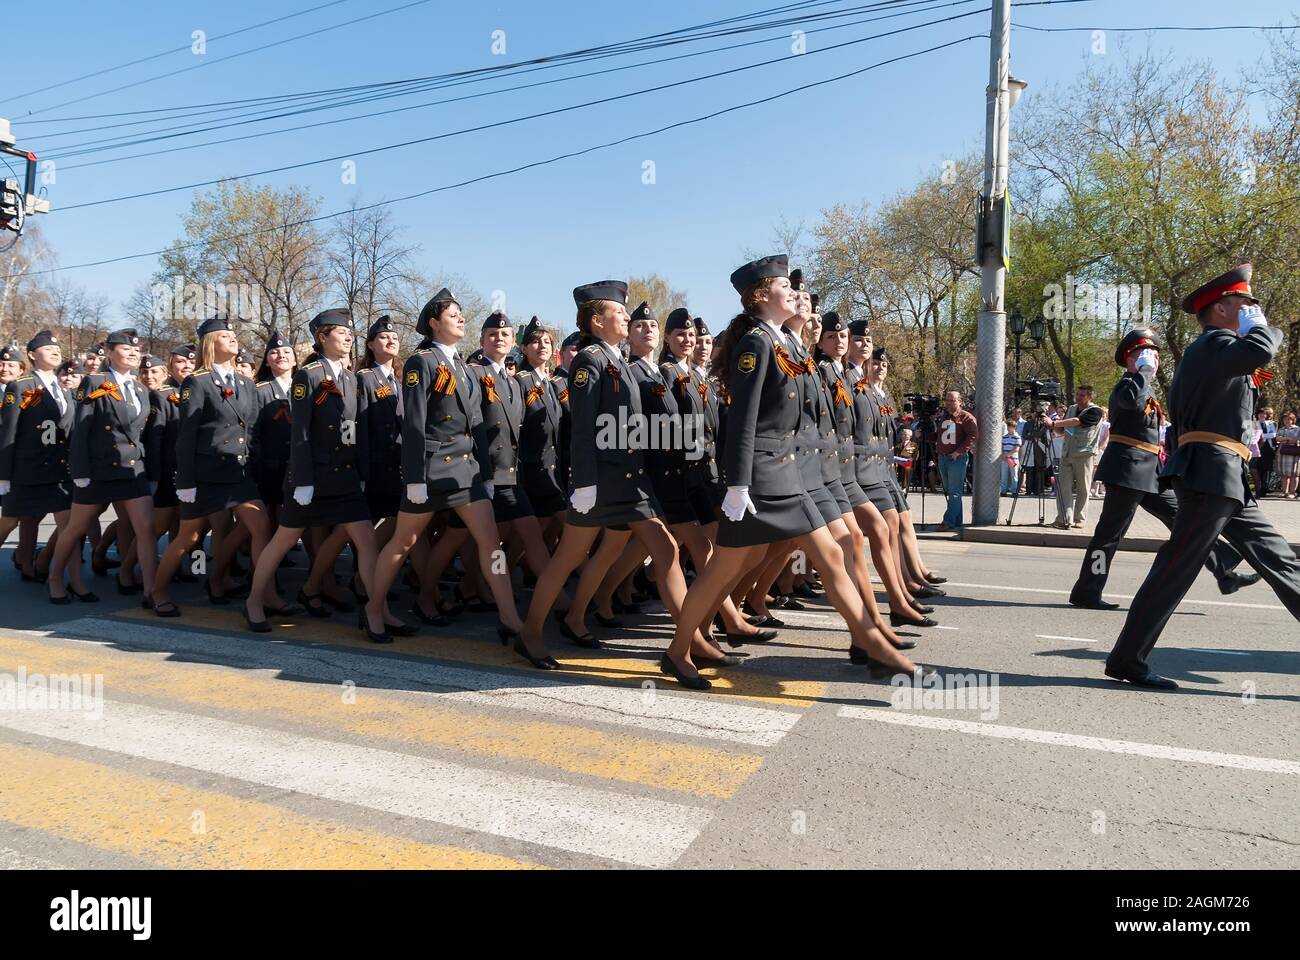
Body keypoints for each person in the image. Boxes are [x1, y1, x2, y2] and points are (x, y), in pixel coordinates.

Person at [668, 256, 925, 689]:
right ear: (761, 295)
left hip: (790, 472)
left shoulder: (789, 344)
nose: (794, 293)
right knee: (722, 571)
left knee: (828, 554)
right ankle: (677, 650)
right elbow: (744, 418)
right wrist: (737, 484)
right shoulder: (756, 343)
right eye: (785, 286)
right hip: (763, 473)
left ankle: (871, 643)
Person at [1105, 266, 1300, 689]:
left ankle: (1126, 657)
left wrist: (1254, 330)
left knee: (1280, 560)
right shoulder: (1214, 344)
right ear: (1219, 309)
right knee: (1176, 569)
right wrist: (1259, 326)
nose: (1251, 308)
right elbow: (1261, 353)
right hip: (1209, 472)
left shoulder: (1218, 349)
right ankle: (1126, 658)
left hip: (1223, 473)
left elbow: (1254, 368)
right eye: (1243, 303)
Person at [363, 289, 532, 660]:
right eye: (453, 314)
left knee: (491, 546)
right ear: (434, 323)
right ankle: (375, 609)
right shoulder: (420, 363)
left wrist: (485, 474)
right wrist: (414, 479)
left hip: (467, 471)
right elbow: (413, 425)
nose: (460, 318)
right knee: (402, 543)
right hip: (432, 470)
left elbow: (476, 427)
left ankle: (510, 619)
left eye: (460, 314)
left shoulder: (465, 368)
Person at [1068, 327, 1257, 611]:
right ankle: (1087, 590)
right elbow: (1130, 401)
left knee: (1187, 523)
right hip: (1127, 470)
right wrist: (1143, 371)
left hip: (1151, 473)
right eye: (1144, 354)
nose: (1152, 359)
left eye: (1154, 354)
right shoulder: (1128, 384)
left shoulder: (1145, 387)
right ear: (1130, 358)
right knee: (1110, 534)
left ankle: (1225, 571)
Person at [150, 316, 283, 617]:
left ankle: (262, 595)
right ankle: (157, 591)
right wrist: (184, 482)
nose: (233, 338)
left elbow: (252, 430)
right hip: (207, 474)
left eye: (233, 334)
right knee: (189, 538)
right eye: (225, 335)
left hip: (239, 472)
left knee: (261, 528)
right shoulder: (197, 382)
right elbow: (186, 437)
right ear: (211, 343)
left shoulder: (246, 384)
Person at [44, 328, 157, 606]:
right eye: (125, 348)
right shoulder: (95, 382)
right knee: (75, 528)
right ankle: (56, 579)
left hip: (132, 469)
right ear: (109, 352)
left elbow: (139, 434)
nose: (133, 352)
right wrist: (80, 472)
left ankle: (153, 591)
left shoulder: (141, 388)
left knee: (146, 528)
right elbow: (81, 431)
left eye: (136, 349)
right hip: (100, 470)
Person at [0, 330, 84, 596]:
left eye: (57, 349)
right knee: (8, 524)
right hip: (27, 471)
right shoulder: (21, 386)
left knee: (69, 526)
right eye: (48, 349)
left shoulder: (64, 389)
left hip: (58, 470)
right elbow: (8, 432)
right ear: (34, 356)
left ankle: (69, 581)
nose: (55, 352)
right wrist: (4, 476)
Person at [1051, 385, 1103, 529]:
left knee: (1083, 488)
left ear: (1090, 397)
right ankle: (1063, 518)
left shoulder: (1095, 411)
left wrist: (1055, 422)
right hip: (1067, 452)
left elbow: (1077, 422)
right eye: (1077, 394)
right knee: (1063, 488)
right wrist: (1051, 423)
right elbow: (1062, 431)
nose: (1078, 397)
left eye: (1082, 395)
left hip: (1084, 454)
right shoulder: (1072, 408)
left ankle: (1079, 518)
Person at [934, 389, 977, 531]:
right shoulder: (944, 417)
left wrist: (958, 452)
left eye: (952, 400)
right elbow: (940, 436)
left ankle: (948, 521)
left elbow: (973, 436)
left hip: (956, 459)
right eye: (947, 400)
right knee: (949, 491)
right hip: (943, 458)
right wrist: (925, 435)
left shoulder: (966, 417)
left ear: (960, 402)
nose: (949, 403)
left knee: (954, 491)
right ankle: (957, 521)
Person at [1276, 411, 1299, 499]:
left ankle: (1292, 492)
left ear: (1293, 420)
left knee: (1294, 474)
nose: (1287, 421)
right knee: (1284, 474)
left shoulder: (1297, 429)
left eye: (1289, 419)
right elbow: (1277, 439)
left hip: (1294, 453)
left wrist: (1284, 439)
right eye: (1285, 419)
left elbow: (1296, 439)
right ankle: (1284, 492)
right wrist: (1289, 439)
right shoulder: (1281, 429)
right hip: (1282, 453)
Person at [1000, 419, 1022, 495]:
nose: (1008, 428)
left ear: (1014, 427)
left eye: (1010, 427)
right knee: (1004, 476)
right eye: (1008, 426)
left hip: (1013, 459)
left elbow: (1017, 449)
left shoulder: (1017, 437)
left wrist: (1008, 454)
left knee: (1014, 476)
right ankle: (1003, 491)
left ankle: (1014, 491)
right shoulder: (1004, 437)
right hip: (1004, 459)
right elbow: (1002, 447)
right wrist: (1003, 454)